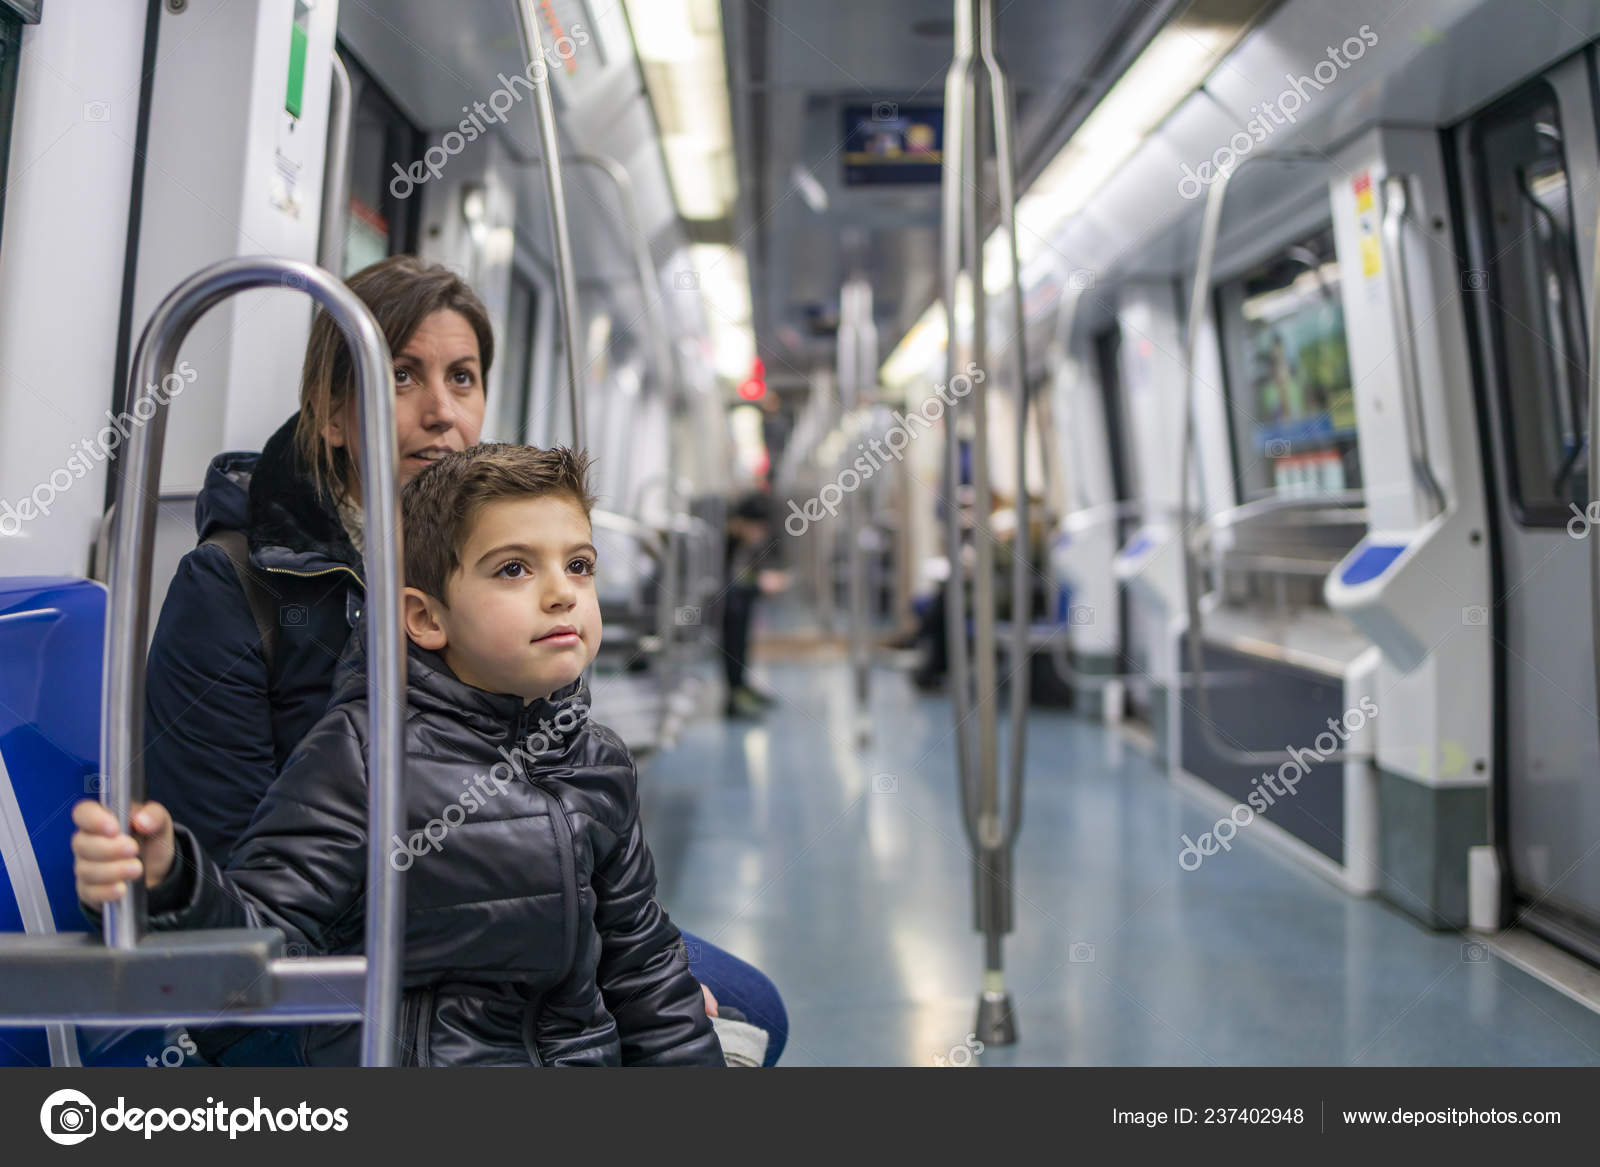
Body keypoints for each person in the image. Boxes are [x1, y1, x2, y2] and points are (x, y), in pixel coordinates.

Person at [138, 255, 786, 1064]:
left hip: (495, 899)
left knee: (726, 1006)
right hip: (348, 955)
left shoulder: (498, 562)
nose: (442, 412)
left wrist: (603, 968)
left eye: (464, 378)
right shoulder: (237, 586)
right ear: (333, 412)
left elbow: (545, 788)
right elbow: (240, 861)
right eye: (402, 376)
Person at [74, 444, 723, 1067]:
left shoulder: (598, 761)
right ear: (425, 618)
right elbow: (266, 940)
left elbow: (644, 967)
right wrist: (172, 884)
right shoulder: (363, 754)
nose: (563, 593)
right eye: (514, 569)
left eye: (578, 565)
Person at [720, 492, 786, 718]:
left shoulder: (735, 540)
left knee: (742, 606)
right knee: (736, 610)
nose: (759, 536)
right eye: (758, 529)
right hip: (699, 606)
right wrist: (757, 586)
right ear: (743, 522)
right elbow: (720, 588)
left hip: (716, 600)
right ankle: (734, 692)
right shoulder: (721, 539)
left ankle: (740, 684)